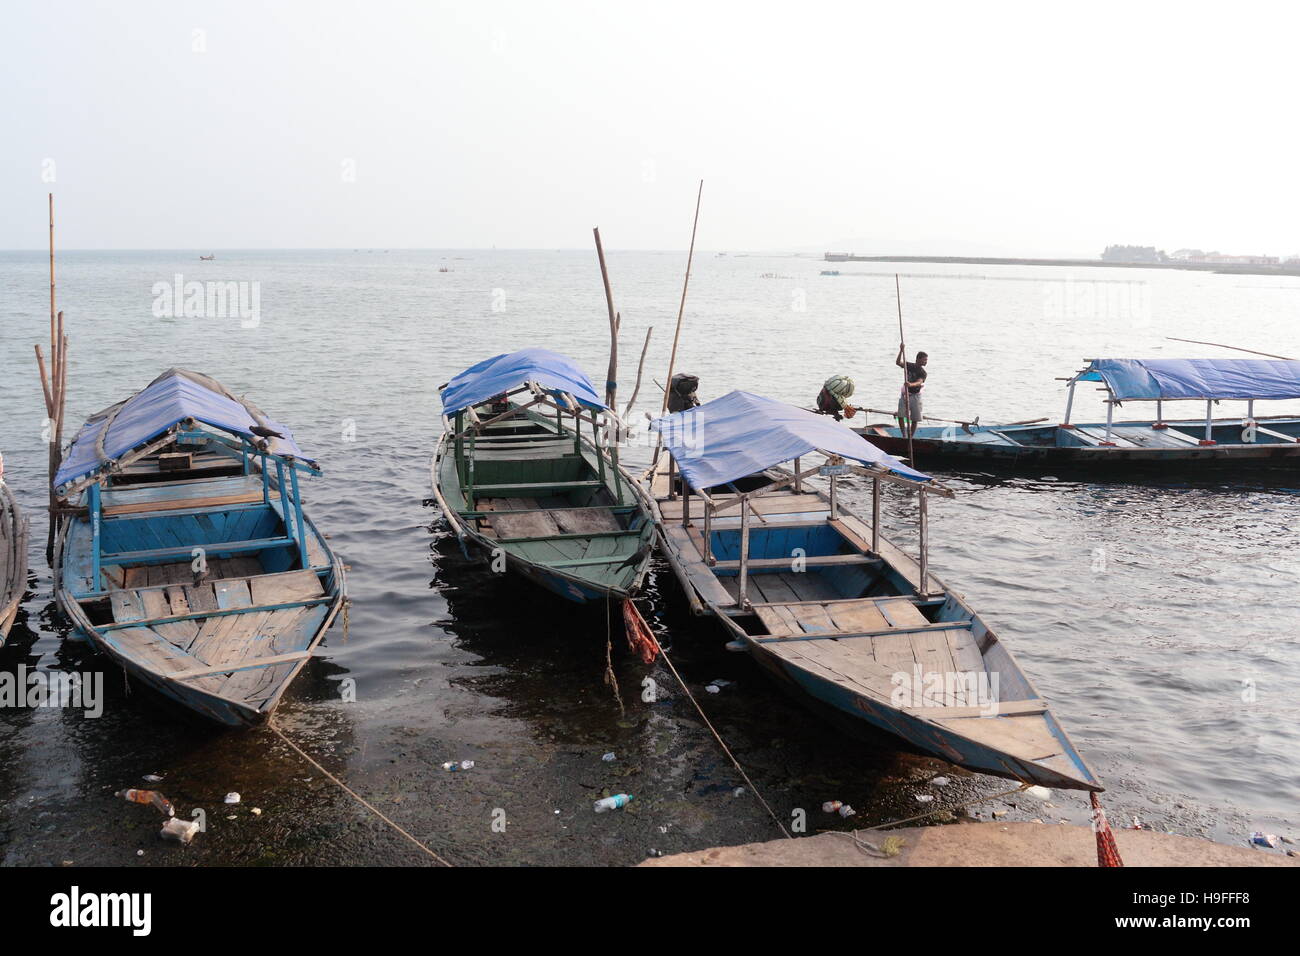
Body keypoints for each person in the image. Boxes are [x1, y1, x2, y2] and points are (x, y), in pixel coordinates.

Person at [895, 347, 927, 438]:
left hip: (916, 396)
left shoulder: (923, 373)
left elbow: (919, 382)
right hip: (906, 394)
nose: (926, 362)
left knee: (915, 418)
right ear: (918, 359)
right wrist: (901, 350)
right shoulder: (909, 365)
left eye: (926, 360)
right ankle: (904, 435)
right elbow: (898, 362)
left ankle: (910, 437)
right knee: (900, 415)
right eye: (924, 360)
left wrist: (910, 384)